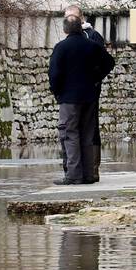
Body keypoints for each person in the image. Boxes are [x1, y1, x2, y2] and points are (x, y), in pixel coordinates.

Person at [48, 16, 114, 185]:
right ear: (81, 28)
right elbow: (109, 62)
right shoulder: (92, 46)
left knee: (70, 134)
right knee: (87, 134)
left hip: (69, 99)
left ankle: (73, 175)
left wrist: (57, 93)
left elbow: (54, 74)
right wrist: (97, 78)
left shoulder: (61, 48)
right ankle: (88, 175)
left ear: (65, 30)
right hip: (90, 96)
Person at [65, 4, 105, 183]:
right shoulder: (68, 38)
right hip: (71, 92)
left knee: (89, 129)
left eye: (72, 16)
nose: (69, 20)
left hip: (88, 91)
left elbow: (103, 61)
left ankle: (91, 170)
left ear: (81, 18)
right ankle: (75, 170)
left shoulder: (92, 36)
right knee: (72, 129)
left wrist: (94, 80)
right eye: (67, 17)